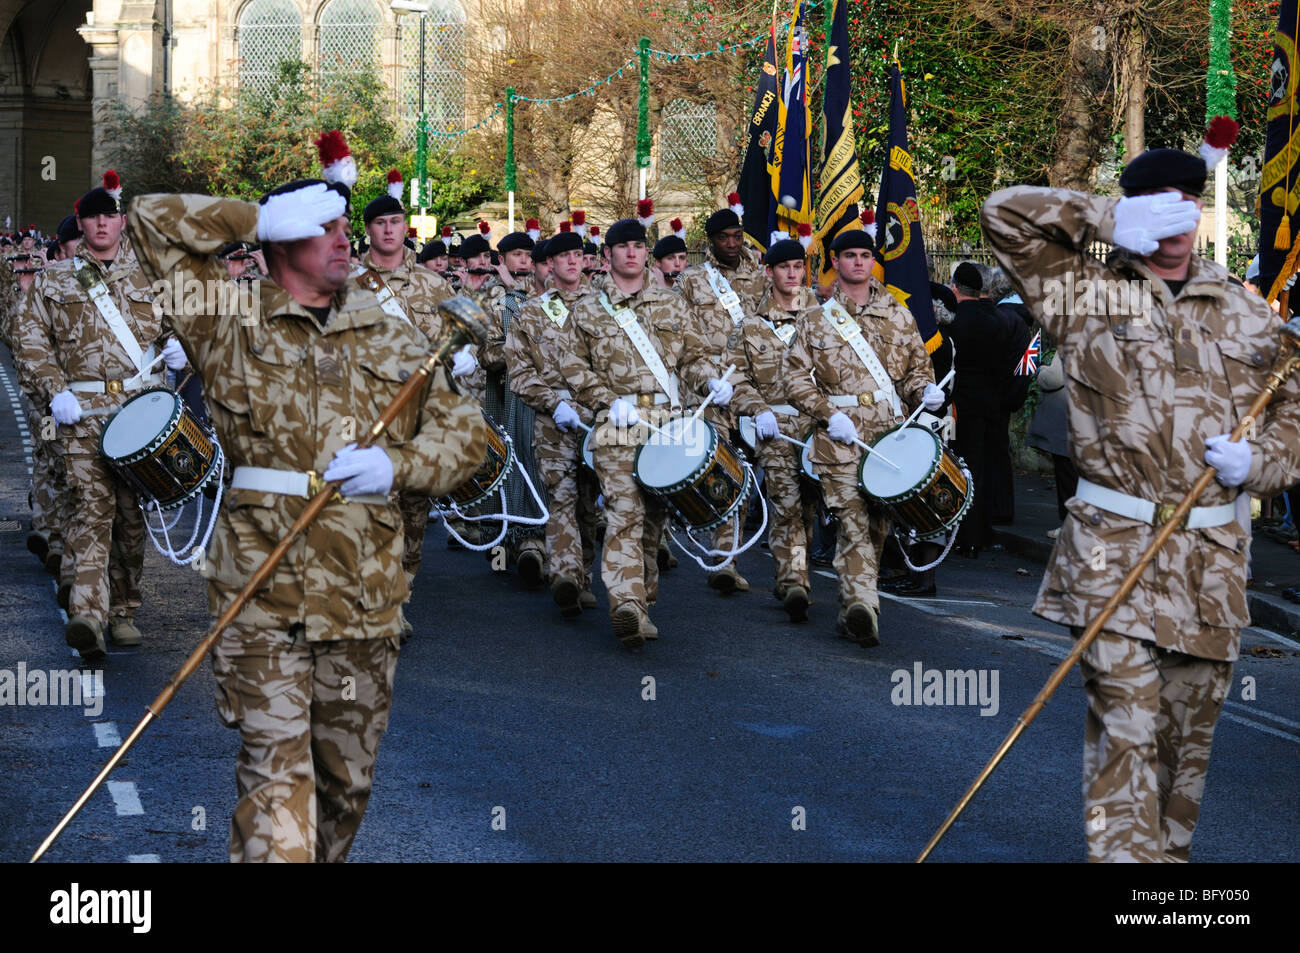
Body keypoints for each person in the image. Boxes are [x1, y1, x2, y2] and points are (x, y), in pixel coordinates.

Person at [125, 169, 487, 862]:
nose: (343, 237)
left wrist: (399, 467)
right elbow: (150, 219)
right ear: (283, 240)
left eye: (342, 226)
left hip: (363, 595)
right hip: (259, 588)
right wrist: (257, 216)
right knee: (276, 779)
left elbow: (466, 433)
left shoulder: (390, 333)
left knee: (344, 785)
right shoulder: (223, 320)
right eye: (322, 228)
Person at [982, 139, 1300, 862]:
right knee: (1125, 727)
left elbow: (1295, 414)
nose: (1178, 219)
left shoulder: (1247, 315)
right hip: (1110, 556)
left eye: (1190, 202)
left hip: (1212, 570)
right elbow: (1001, 215)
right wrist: (1101, 218)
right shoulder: (1082, 292)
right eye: (1161, 206)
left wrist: (1264, 461)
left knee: (1180, 761)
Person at [14, 173, 176, 659]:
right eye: (92, 216)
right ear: (81, 223)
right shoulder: (54, 279)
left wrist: (179, 351)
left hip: (139, 413)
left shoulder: (151, 276)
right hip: (81, 414)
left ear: (122, 221)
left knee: (130, 518)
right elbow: (30, 341)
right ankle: (88, 614)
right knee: (91, 510)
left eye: (110, 216)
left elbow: (179, 330)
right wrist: (54, 390)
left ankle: (123, 610)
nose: (102, 223)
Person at [785, 229, 941, 645]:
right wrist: (827, 413)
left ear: (873, 261)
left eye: (865, 255)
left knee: (877, 527)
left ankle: (851, 605)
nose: (858, 261)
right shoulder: (815, 320)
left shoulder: (898, 314)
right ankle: (863, 606)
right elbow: (794, 379)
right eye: (849, 255)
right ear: (834, 261)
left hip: (889, 437)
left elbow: (915, 370)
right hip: (838, 438)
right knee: (852, 521)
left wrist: (925, 391)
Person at [560, 217, 707, 647]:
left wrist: (710, 380)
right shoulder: (586, 309)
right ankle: (626, 603)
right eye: (621, 246)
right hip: (617, 426)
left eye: (637, 246)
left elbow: (694, 356)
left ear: (646, 253)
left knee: (654, 520)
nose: (630, 252)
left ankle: (644, 600)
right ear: (607, 256)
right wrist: (606, 399)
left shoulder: (672, 304)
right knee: (625, 512)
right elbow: (571, 367)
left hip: (667, 425)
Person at [359, 178, 455, 629]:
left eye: (396, 222)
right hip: (371, 410)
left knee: (416, 509)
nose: (390, 230)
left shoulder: (432, 284)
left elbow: (456, 332)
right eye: (381, 223)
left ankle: (405, 577)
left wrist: (464, 353)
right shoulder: (348, 284)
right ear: (369, 230)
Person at [506, 227, 600, 616]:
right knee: (560, 497)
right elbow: (520, 373)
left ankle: (585, 574)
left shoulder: (605, 307)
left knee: (588, 503)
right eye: (564, 256)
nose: (573, 261)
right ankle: (565, 573)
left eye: (578, 255)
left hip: (597, 418)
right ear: (550, 264)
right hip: (553, 421)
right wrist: (551, 402)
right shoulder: (531, 312)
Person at [676, 203, 769, 594]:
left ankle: (731, 553)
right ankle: (723, 559)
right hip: (710, 386)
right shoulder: (693, 280)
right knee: (722, 467)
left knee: (749, 469)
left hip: (754, 385)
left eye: (737, 237)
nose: (732, 244)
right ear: (710, 242)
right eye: (723, 238)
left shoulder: (761, 277)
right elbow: (679, 333)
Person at [727, 238, 820, 620]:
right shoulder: (750, 326)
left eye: (799, 266)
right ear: (770, 272)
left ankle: (795, 566)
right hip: (775, 427)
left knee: (810, 509)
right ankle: (794, 578)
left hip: (820, 427)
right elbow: (735, 378)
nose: (793, 273)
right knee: (788, 506)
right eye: (785, 267)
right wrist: (757, 408)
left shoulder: (826, 319)